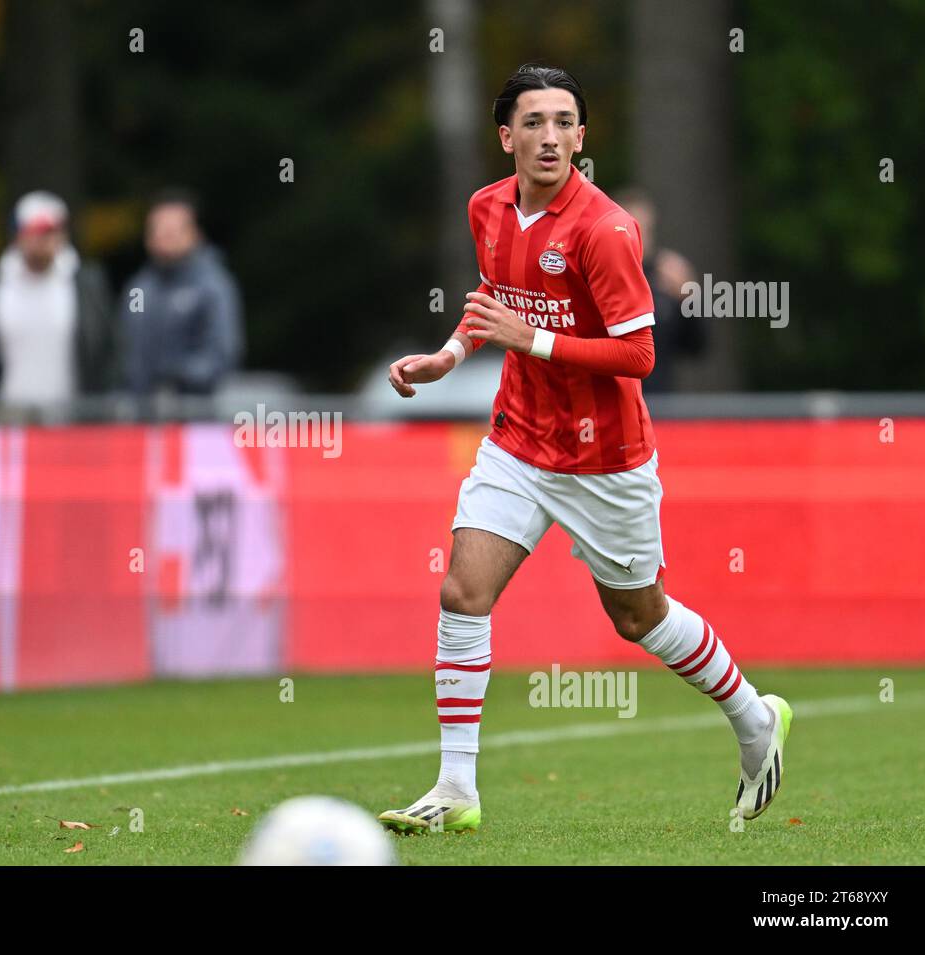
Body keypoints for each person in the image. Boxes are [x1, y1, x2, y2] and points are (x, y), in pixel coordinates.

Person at [381, 64, 791, 834]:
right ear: (506, 137)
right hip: (517, 438)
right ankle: (455, 787)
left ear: (580, 137)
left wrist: (526, 337)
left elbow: (639, 357)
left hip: (606, 459)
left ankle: (752, 715)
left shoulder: (604, 229)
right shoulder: (486, 209)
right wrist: (446, 356)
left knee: (639, 618)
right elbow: (493, 306)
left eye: (565, 122)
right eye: (534, 121)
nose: (550, 136)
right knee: (463, 592)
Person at [0, 190, 115, 411]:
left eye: (48, 231)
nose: (40, 240)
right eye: (33, 231)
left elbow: (105, 353)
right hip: (6, 420)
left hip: (70, 420)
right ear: (17, 234)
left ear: (63, 234)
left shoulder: (88, 287)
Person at [120, 190, 244, 405]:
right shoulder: (139, 288)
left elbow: (223, 354)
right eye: (156, 230)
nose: (162, 237)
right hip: (143, 414)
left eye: (172, 230)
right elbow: (125, 348)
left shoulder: (213, 286)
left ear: (195, 233)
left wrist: (174, 375)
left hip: (197, 413)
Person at [611, 187, 705, 394]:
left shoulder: (669, 276)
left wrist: (689, 297)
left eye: (644, 229)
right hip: (611, 400)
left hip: (659, 402)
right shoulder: (600, 274)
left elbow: (696, 347)